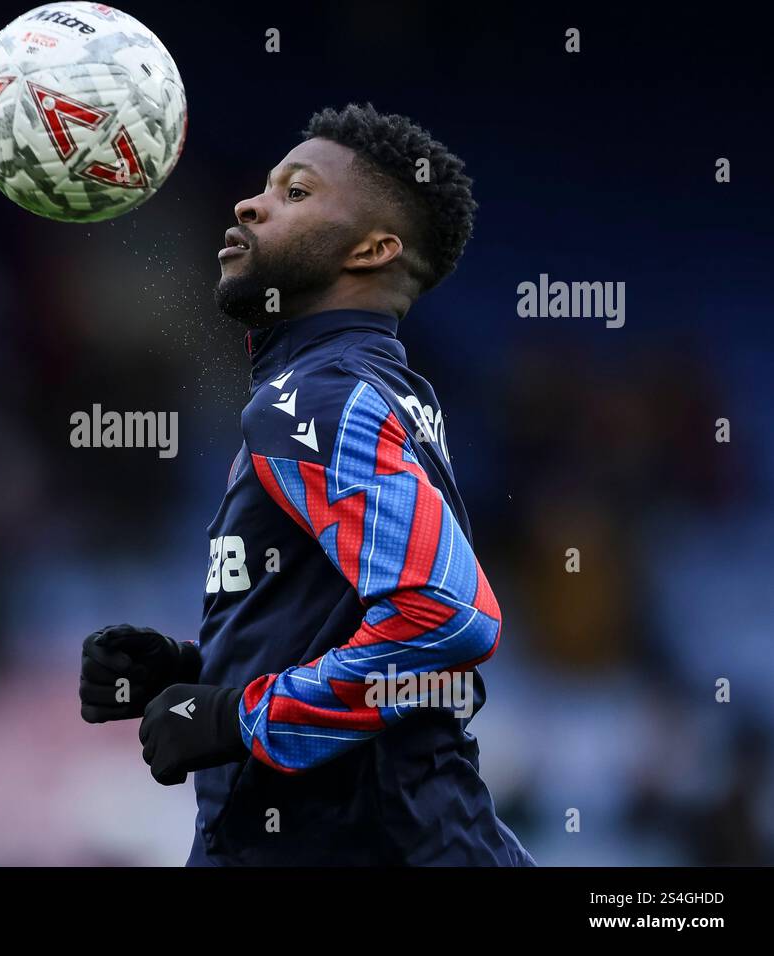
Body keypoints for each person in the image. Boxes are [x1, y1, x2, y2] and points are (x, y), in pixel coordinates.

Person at [80, 103, 534, 866]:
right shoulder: (350, 389)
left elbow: (445, 617)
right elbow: (353, 616)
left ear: (373, 249)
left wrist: (242, 717)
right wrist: (199, 671)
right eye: (264, 186)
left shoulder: (319, 397)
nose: (248, 204)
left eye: (295, 192)